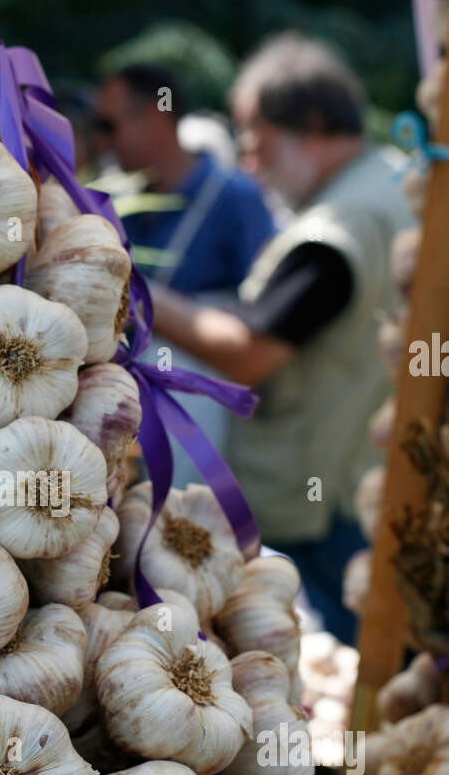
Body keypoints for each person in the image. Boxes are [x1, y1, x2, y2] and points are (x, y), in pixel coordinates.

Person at [146, 34, 416, 642]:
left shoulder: (339, 226)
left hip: (331, 506)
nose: (249, 158)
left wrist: (145, 296)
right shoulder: (395, 183)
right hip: (380, 481)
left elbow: (250, 353)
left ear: (311, 125)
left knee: (367, 664)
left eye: (255, 137)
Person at [91, 63, 276, 481]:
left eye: (108, 125)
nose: (101, 141)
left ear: (155, 116)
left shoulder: (235, 197)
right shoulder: (117, 200)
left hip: (205, 435)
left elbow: (263, 325)